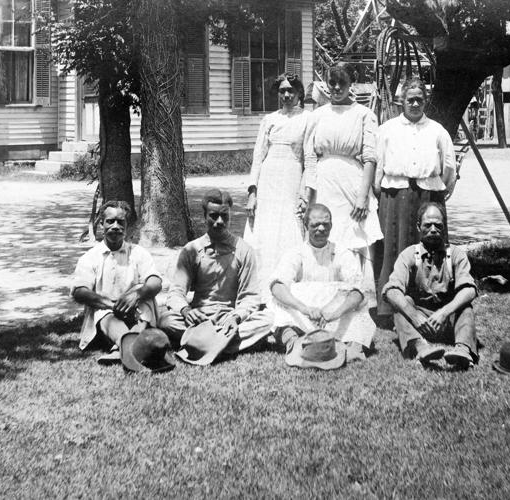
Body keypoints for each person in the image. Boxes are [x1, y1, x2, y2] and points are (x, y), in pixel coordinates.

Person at [374, 77, 457, 318]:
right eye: (410, 99)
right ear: (401, 101)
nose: (414, 104)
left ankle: (431, 301)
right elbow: (378, 165)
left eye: (419, 99)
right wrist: (383, 194)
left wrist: (439, 193)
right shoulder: (387, 129)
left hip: (428, 194)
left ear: (426, 101)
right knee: (392, 250)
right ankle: (390, 307)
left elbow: (449, 168)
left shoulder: (437, 130)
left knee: (430, 248)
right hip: (394, 196)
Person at [159, 189, 272, 357]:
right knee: (166, 321)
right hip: (199, 319)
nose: (219, 221)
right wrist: (186, 311)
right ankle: (224, 343)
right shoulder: (191, 250)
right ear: (205, 216)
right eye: (213, 216)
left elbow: (250, 297)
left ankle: (199, 343)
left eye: (224, 216)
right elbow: (176, 292)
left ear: (230, 216)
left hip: (230, 319)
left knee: (267, 321)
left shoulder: (244, 250)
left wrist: (236, 318)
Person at [269, 204, 375, 363]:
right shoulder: (295, 252)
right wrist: (305, 309)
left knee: (359, 309)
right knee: (278, 303)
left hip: (334, 314)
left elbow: (357, 291)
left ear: (331, 226)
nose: (320, 228)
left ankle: (350, 346)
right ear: (306, 226)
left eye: (325, 224)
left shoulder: (342, 252)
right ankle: (294, 342)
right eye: (314, 225)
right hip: (305, 312)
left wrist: (335, 313)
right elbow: (277, 286)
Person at [381, 202, 478, 369]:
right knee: (401, 305)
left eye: (438, 225)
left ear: (444, 227)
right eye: (427, 225)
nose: (433, 229)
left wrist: (444, 312)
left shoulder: (455, 254)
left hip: (448, 320)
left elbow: (469, 289)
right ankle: (421, 347)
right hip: (419, 323)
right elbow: (391, 291)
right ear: (419, 227)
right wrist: (414, 315)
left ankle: (463, 350)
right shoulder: (409, 255)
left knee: (466, 308)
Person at [71, 200, 166, 366]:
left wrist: (137, 295)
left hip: (136, 314)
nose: (115, 226)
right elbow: (79, 291)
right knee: (101, 312)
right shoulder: (90, 257)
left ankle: (122, 348)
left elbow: (155, 281)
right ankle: (130, 345)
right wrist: (111, 304)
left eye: (120, 222)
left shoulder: (138, 253)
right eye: (110, 221)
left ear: (127, 225)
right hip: (107, 318)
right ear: (101, 224)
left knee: (147, 298)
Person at [304, 62, 383, 257]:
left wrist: (363, 197)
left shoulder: (365, 115)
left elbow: (370, 158)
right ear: (326, 84)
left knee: (355, 235)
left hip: (352, 183)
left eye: (342, 82)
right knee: (323, 235)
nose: (337, 88)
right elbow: (310, 156)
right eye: (332, 83)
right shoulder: (317, 115)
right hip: (323, 184)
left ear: (351, 84)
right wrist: (307, 192)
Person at [245, 73, 312, 300]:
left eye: (291, 91)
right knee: (265, 232)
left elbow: (309, 159)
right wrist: (252, 193)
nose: (286, 95)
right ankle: (260, 291)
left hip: (292, 178)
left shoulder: (308, 119)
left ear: (299, 93)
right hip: (268, 180)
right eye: (282, 91)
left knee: (288, 229)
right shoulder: (269, 119)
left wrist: (304, 192)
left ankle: (287, 288)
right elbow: (258, 157)